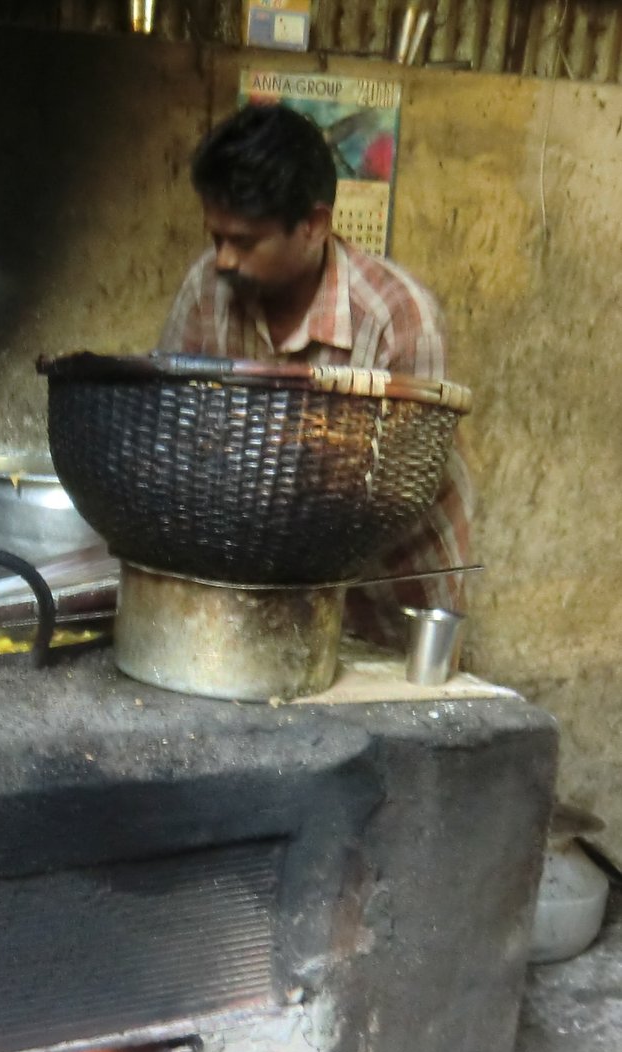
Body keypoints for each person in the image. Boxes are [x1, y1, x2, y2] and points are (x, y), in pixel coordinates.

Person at [157, 103, 472, 647]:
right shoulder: (207, 291)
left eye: (246, 241)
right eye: (217, 238)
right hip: (266, 596)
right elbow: (171, 424)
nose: (224, 260)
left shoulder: (398, 318)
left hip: (389, 604)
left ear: (314, 226)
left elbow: (394, 496)